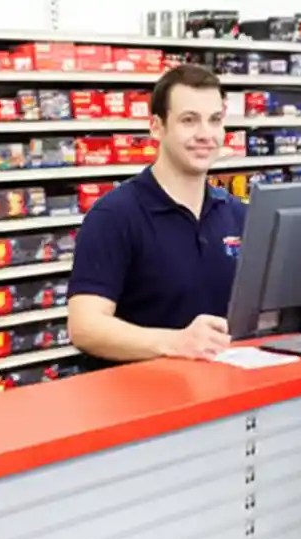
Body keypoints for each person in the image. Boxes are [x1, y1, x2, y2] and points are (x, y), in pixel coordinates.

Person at [67, 63, 247, 369]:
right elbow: (85, 327)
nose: (206, 134)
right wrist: (175, 343)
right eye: (189, 120)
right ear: (156, 127)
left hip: (224, 397)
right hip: (141, 402)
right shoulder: (114, 216)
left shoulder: (237, 214)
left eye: (215, 120)